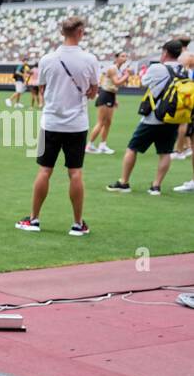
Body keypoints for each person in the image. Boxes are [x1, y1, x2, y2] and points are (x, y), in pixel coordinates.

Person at [15, 15, 99, 237]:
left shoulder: (47, 59)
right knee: (75, 173)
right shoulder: (90, 59)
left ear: (62, 33)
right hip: (77, 124)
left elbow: (42, 89)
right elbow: (93, 91)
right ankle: (77, 223)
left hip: (50, 122)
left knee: (44, 170)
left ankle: (33, 219)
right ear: (80, 32)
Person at [106, 39, 185, 196]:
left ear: (165, 53)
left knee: (132, 148)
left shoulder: (157, 68)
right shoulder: (184, 70)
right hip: (173, 117)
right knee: (165, 152)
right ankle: (156, 186)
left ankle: (124, 182)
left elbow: (143, 82)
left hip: (153, 117)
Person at [86, 53, 126, 155]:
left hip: (111, 95)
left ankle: (102, 145)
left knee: (108, 122)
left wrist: (115, 99)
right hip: (105, 95)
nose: (125, 58)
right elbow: (116, 82)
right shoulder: (112, 69)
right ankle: (89, 145)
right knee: (101, 122)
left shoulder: (118, 69)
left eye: (125, 56)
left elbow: (114, 86)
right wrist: (127, 75)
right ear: (116, 58)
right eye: (122, 56)